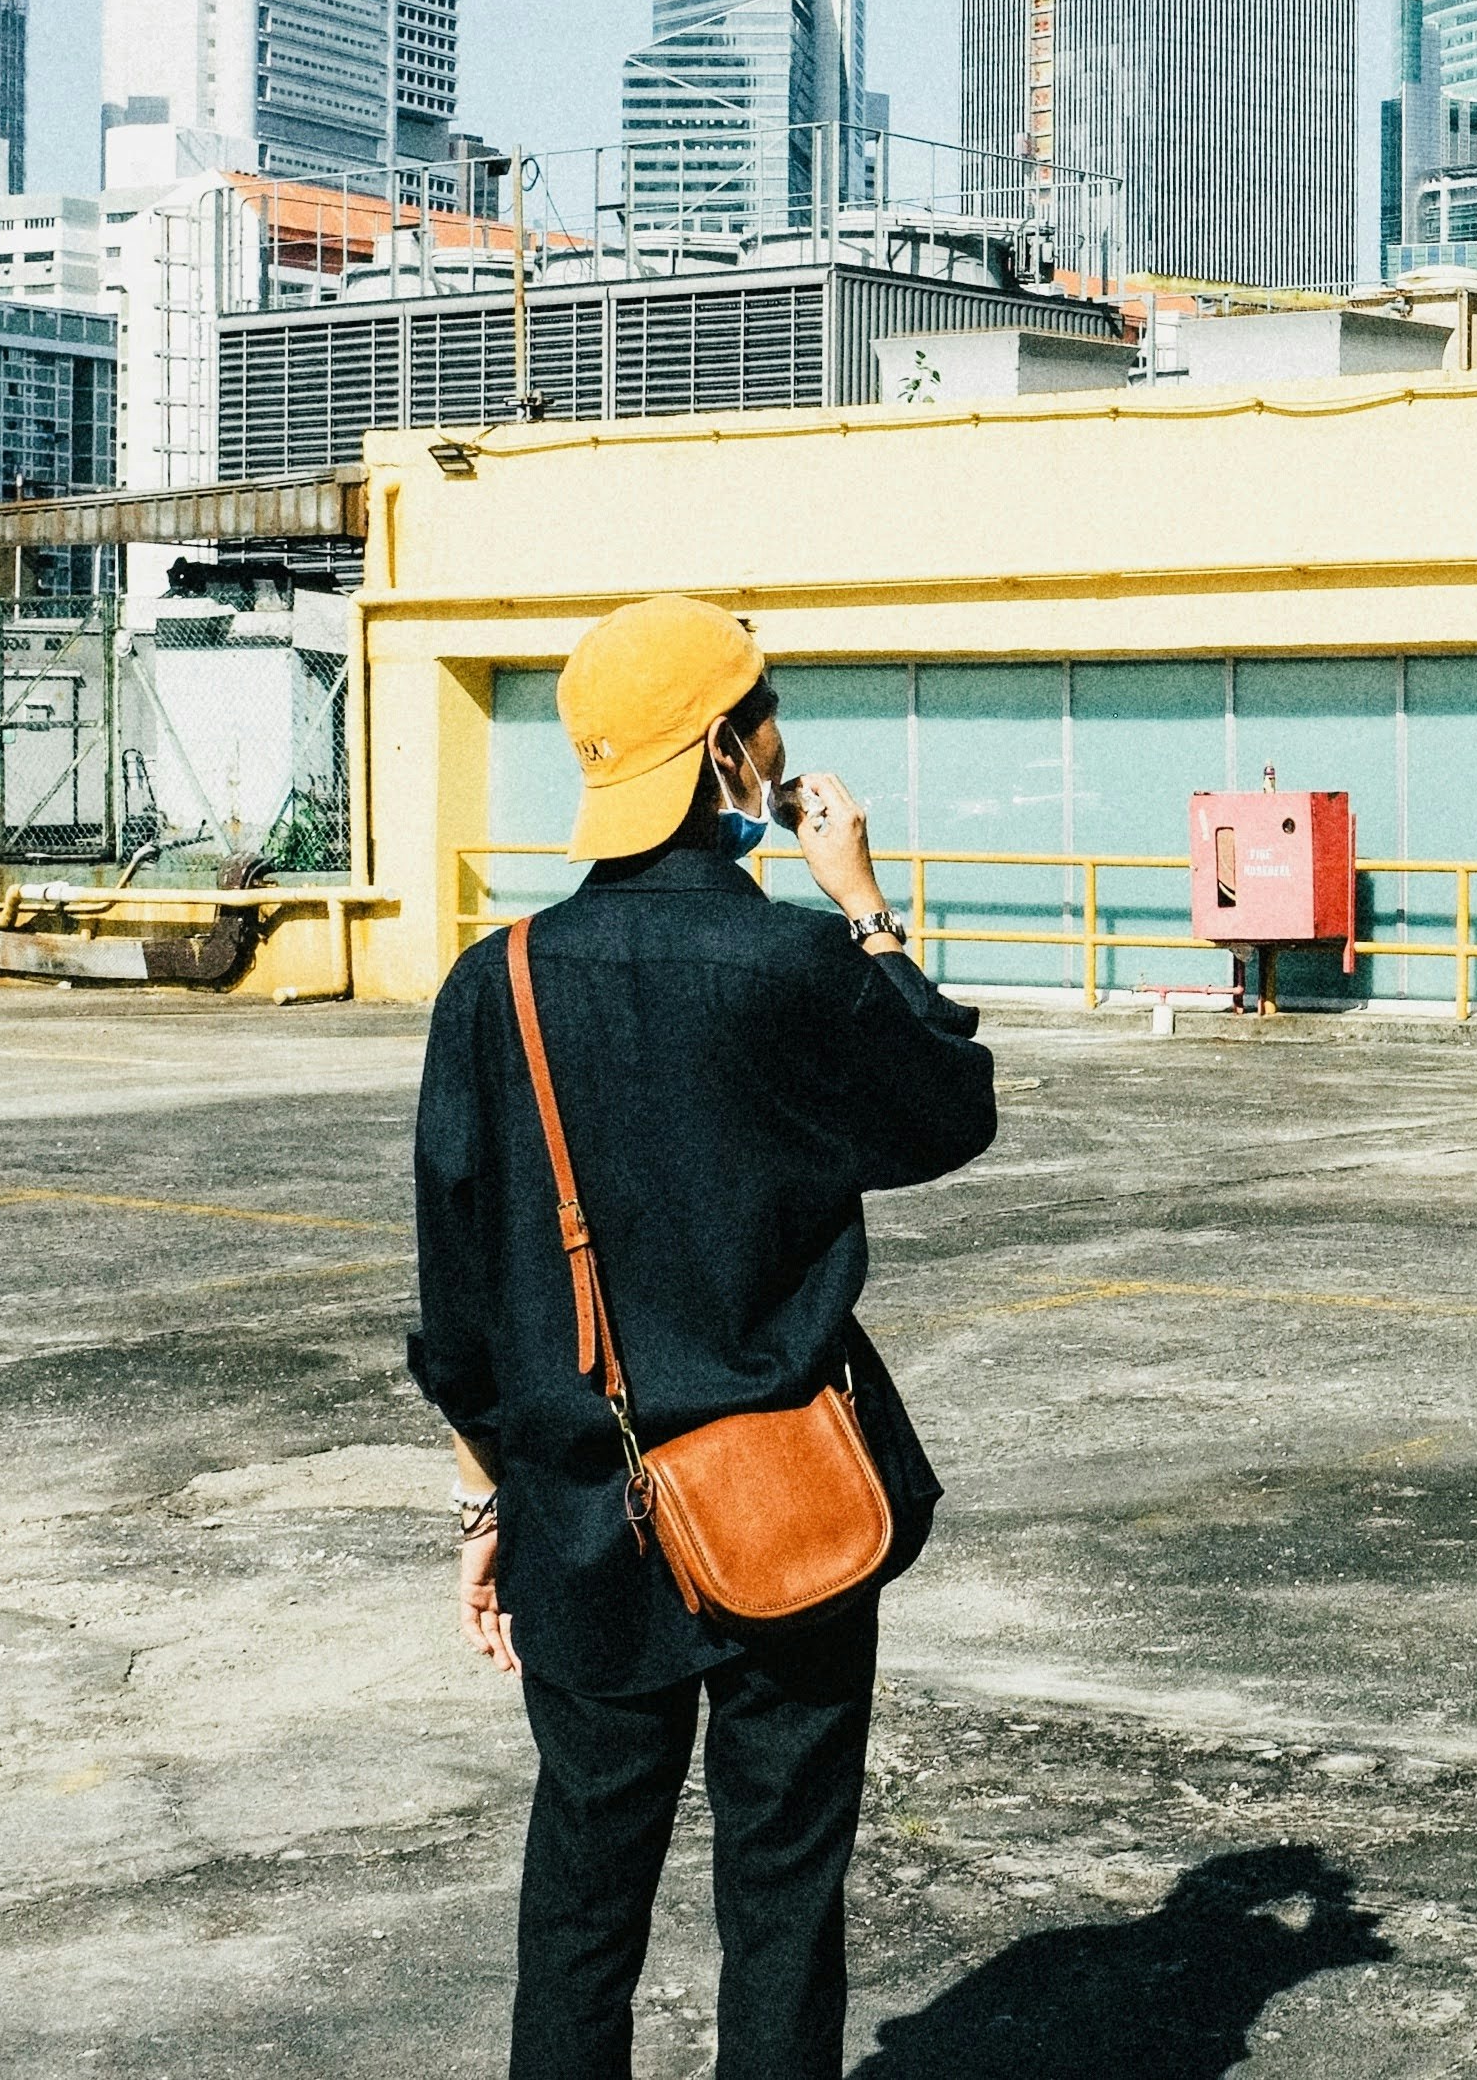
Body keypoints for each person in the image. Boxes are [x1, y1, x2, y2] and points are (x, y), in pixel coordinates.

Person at [410, 595, 997, 2080]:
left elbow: (459, 1305)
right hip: (778, 1496)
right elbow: (948, 1108)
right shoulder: (792, 966)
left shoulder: (500, 982)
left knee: (583, 1897)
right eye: (768, 709)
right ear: (728, 748)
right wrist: (863, 901)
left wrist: (491, 1494)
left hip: (578, 1508)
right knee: (783, 1889)